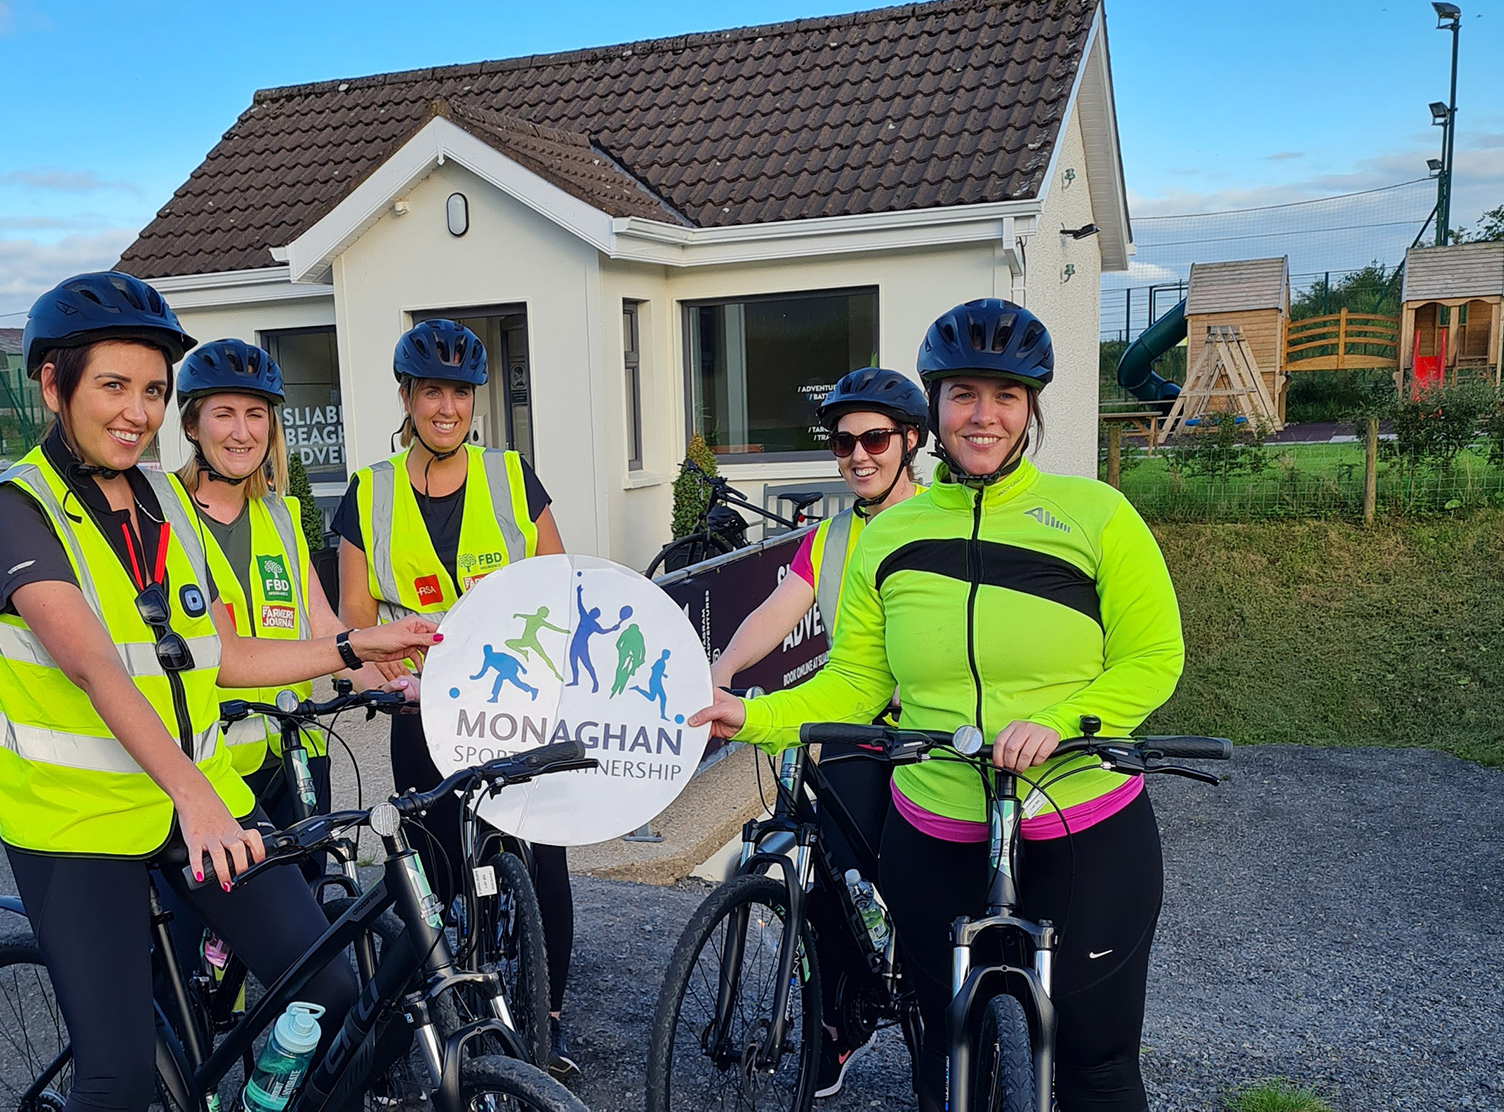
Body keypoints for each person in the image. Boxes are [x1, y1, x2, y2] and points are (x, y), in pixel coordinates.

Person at [0, 273, 434, 1112]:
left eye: (151, 389)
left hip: (191, 795)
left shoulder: (157, 502)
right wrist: (196, 795)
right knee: (118, 1075)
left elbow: (213, 655)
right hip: (77, 825)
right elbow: (96, 666)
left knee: (331, 978)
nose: (135, 410)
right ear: (52, 383)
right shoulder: (10, 512)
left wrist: (354, 644)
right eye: (112, 386)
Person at [692, 300, 1186, 1112]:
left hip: (1082, 820)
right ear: (935, 408)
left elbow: (1153, 655)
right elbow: (857, 680)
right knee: (942, 1065)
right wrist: (757, 714)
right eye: (963, 394)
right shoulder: (889, 537)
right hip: (935, 830)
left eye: (1005, 394)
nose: (982, 414)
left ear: (1030, 408)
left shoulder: (1098, 516)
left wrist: (1064, 722)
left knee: (1096, 1067)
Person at [332, 318, 583, 1076]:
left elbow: (560, 587)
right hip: (423, 716)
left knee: (541, 867)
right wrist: (385, 683)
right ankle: (450, 1009)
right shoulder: (368, 492)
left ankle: (546, 1018)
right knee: (434, 875)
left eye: (461, 394)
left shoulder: (511, 477)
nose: (447, 407)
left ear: (476, 401)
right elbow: (354, 626)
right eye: (432, 391)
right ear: (407, 398)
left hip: (513, 709)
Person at [699, 365, 928, 1097]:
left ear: (910, 441)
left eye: (876, 438)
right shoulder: (829, 537)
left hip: (925, 740)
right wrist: (725, 670)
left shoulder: (941, 519)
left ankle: (932, 1015)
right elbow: (778, 609)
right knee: (826, 876)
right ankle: (841, 1024)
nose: (859, 454)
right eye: (844, 441)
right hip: (849, 728)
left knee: (919, 888)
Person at [171, 337, 385, 850]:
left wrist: (390, 682)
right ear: (190, 426)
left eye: (255, 414)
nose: (242, 432)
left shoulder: (282, 515)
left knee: (311, 898)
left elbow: (322, 623)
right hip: (210, 766)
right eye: (223, 414)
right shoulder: (167, 517)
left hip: (294, 754)